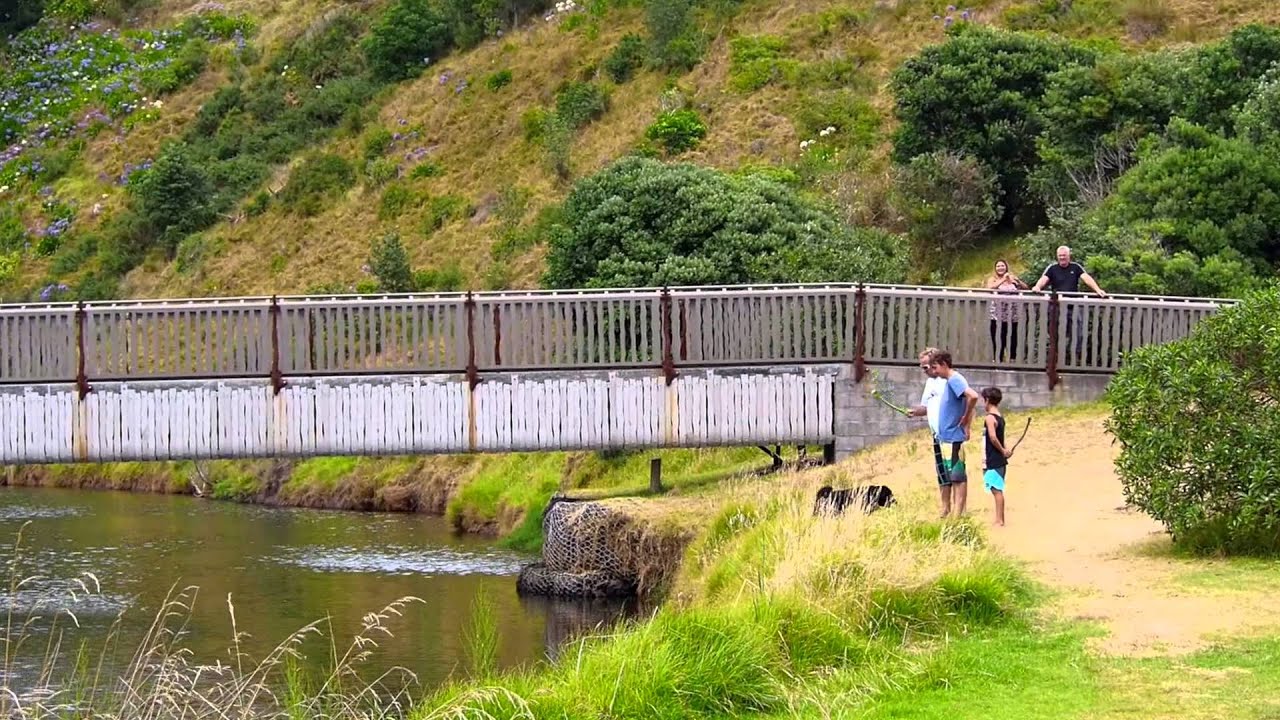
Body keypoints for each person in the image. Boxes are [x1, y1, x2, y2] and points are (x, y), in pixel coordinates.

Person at [1031, 246, 1107, 365]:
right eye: (1060, 256)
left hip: (1073, 306)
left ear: (1069, 256)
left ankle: (1074, 358)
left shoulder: (1075, 267)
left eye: (1064, 255)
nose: (1062, 258)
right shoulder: (1052, 268)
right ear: (1057, 256)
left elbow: (1086, 278)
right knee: (1054, 332)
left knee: (1078, 333)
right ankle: (1055, 358)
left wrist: (1097, 290)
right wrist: (1037, 287)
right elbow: (1043, 279)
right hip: (1057, 306)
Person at [929, 350, 980, 517]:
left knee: (958, 477)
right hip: (946, 438)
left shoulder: (955, 379)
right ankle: (956, 514)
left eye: (935, 367)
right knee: (952, 476)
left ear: (944, 364)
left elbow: (973, 396)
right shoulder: (949, 381)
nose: (934, 371)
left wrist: (966, 418)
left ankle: (958, 515)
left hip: (953, 438)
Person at [906, 347, 950, 517]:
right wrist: (914, 411)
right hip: (936, 434)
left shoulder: (948, 381)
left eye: (925, 367)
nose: (923, 370)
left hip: (949, 434)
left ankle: (959, 509)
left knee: (955, 473)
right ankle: (945, 507)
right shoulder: (930, 383)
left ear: (935, 364)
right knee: (942, 472)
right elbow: (925, 407)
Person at [984, 260, 1028, 363]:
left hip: (1012, 315)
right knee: (998, 339)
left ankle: (1012, 361)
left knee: (1013, 339)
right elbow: (990, 288)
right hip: (997, 315)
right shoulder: (993, 279)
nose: (1000, 268)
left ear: (1006, 267)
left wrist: (1017, 281)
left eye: (1002, 266)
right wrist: (1003, 279)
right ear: (995, 268)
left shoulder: (1012, 277)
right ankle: (997, 361)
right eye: (998, 266)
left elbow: (1026, 288)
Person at [980, 387, 1011, 527]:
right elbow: (1000, 438)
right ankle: (999, 519)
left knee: (996, 489)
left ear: (987, 400)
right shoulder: (1000, 417)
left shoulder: (990, 418)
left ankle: (1000, 520)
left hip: (993, 459)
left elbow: (993, 437)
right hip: (999, 459)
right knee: (997, 488)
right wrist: (1005, 450)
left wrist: (1002, 450)